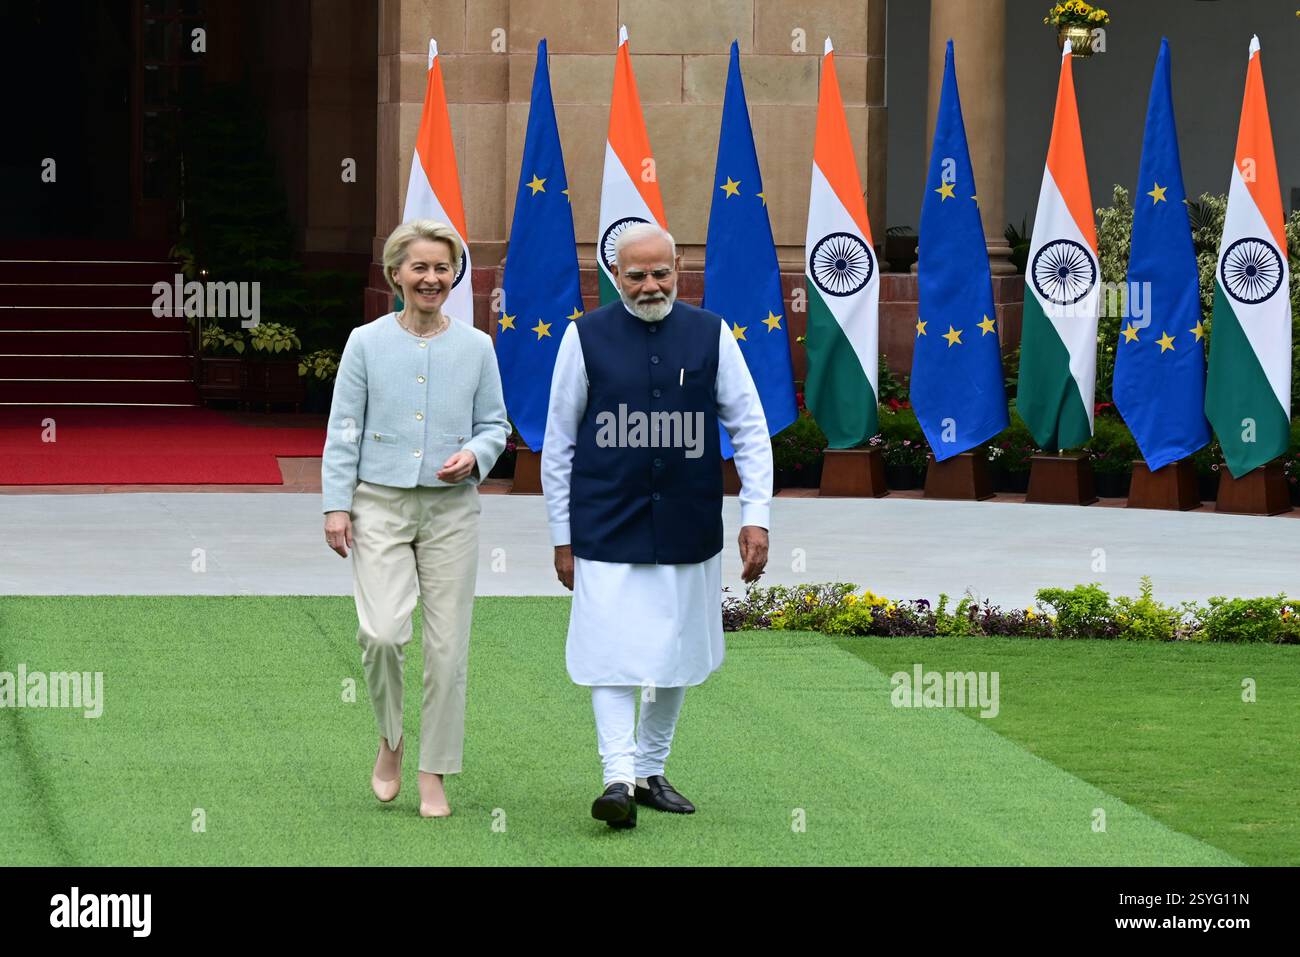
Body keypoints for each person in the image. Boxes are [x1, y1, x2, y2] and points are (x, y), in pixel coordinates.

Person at [542, 223, 772, 829]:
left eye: (661, 272)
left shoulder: (711, 333)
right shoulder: (582, 337)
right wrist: (561, 537)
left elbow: (750, 428)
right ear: (613, 276)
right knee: (609, 651)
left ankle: (650, 770)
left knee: (678, 651)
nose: (650, 285)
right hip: (605, 522)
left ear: (679, 270)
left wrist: (757, 517)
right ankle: (616, 777)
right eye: (636, 274)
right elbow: (559, 444)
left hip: (688, 520)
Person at [321, 219, 509, 818]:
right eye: (420, 268)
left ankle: (434, 773)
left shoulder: (477, 347)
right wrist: (336, 504)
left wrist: (475, 456)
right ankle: (391, 739)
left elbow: (496, 427)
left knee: (448, 650)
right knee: (380, 634)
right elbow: (343, 428)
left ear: (455, 275)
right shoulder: (365, 342)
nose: (432, 278)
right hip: (379, 502)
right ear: (396, 274)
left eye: (442, 268)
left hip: (453, 510)